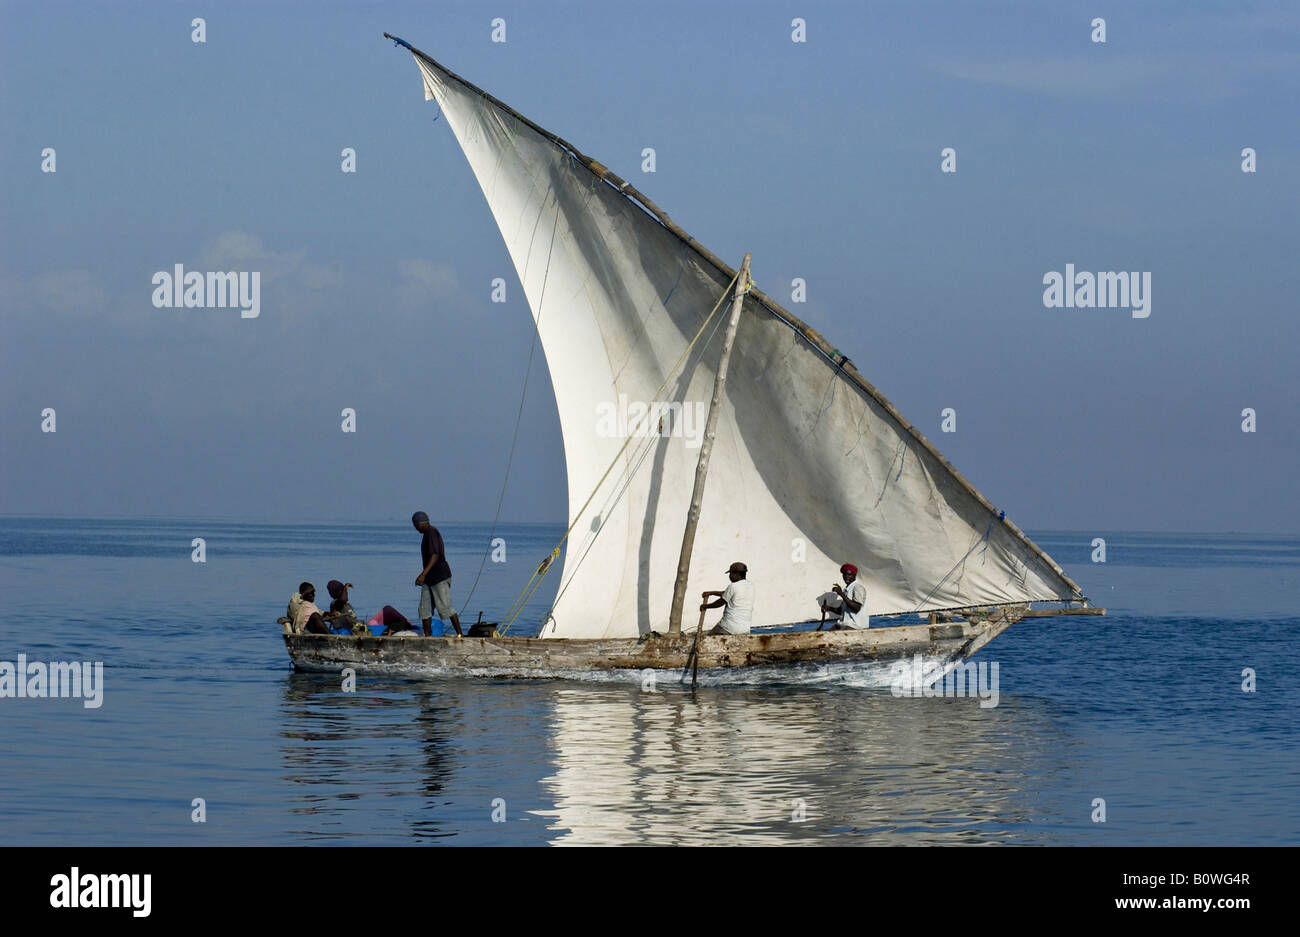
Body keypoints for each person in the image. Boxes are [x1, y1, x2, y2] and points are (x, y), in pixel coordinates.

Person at [412, 511, 463, 637]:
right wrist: (425, 576)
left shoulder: (431, 532)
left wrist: (423, 574)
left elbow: (435, 555)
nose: (416, 529)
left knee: (445, 606)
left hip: (439, 577)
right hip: (429, 579)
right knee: (425, 609)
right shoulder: (426, 534)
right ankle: (427, 637)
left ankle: (460, 635)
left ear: (420, 524)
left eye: (416, 526)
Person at [700, 561, 755, 635]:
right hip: (745, 630)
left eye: (730, 573)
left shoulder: (733, 586)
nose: (729, 576)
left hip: (728, 628)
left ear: (736, 574)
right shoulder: (750, 586)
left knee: (707, 639)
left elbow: (720, 602)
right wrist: (711, 593)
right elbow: (727, 594)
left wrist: (706, 606)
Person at [828, 563, 869, 630]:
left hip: (855, 626)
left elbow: (856, 607)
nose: (846, 576)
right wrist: (828, 608)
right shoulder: (846, 590)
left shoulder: (858, 588)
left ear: (854, 575)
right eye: (844, 574)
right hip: (844, 624)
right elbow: (841, 610)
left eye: (849, 574)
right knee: (828, 632)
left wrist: (841, 594)